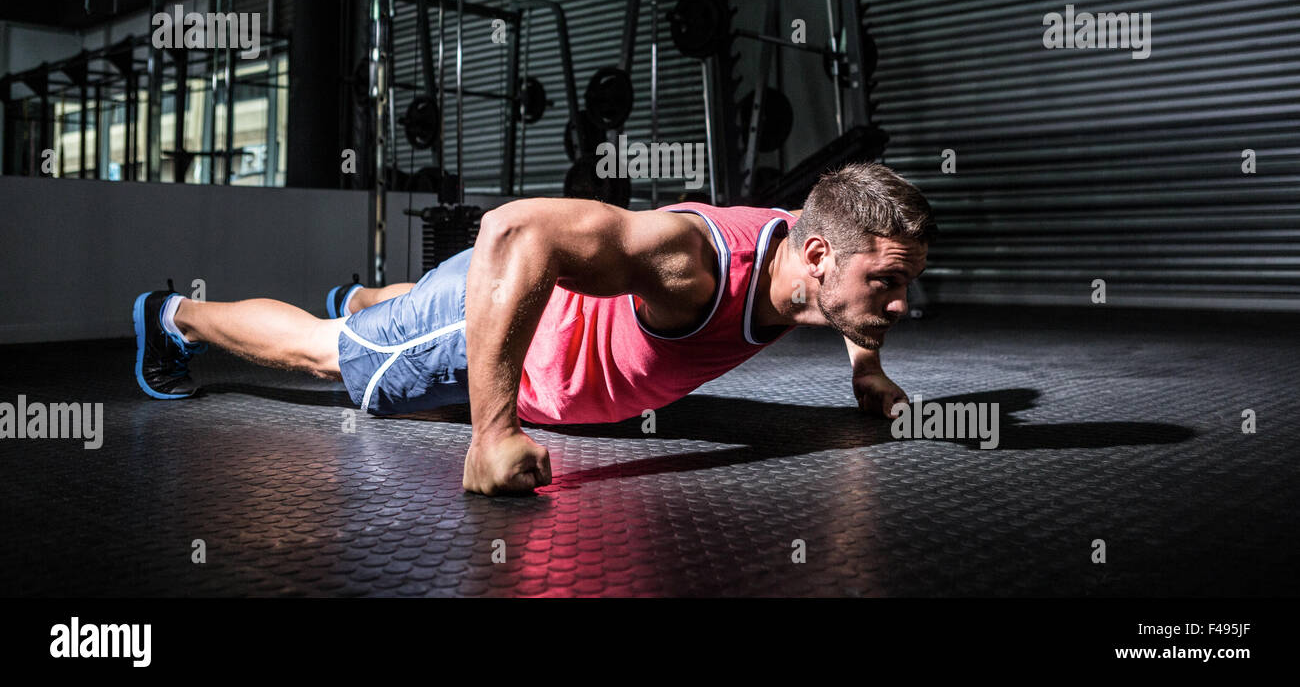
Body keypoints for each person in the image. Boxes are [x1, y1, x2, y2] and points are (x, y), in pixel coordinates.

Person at [132, 162, 935, 495]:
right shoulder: (694, 265)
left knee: (405, 315)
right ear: (820, 255)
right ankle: (175, 316)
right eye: (888, 285)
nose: (898, 305)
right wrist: (492, 432)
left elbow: (854, 295)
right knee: (327, 359)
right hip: (502, 343)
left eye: (906, 284)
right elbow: (516, 234)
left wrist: (867, 368)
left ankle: (372, 300)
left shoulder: (816, 249)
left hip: (527, 331)